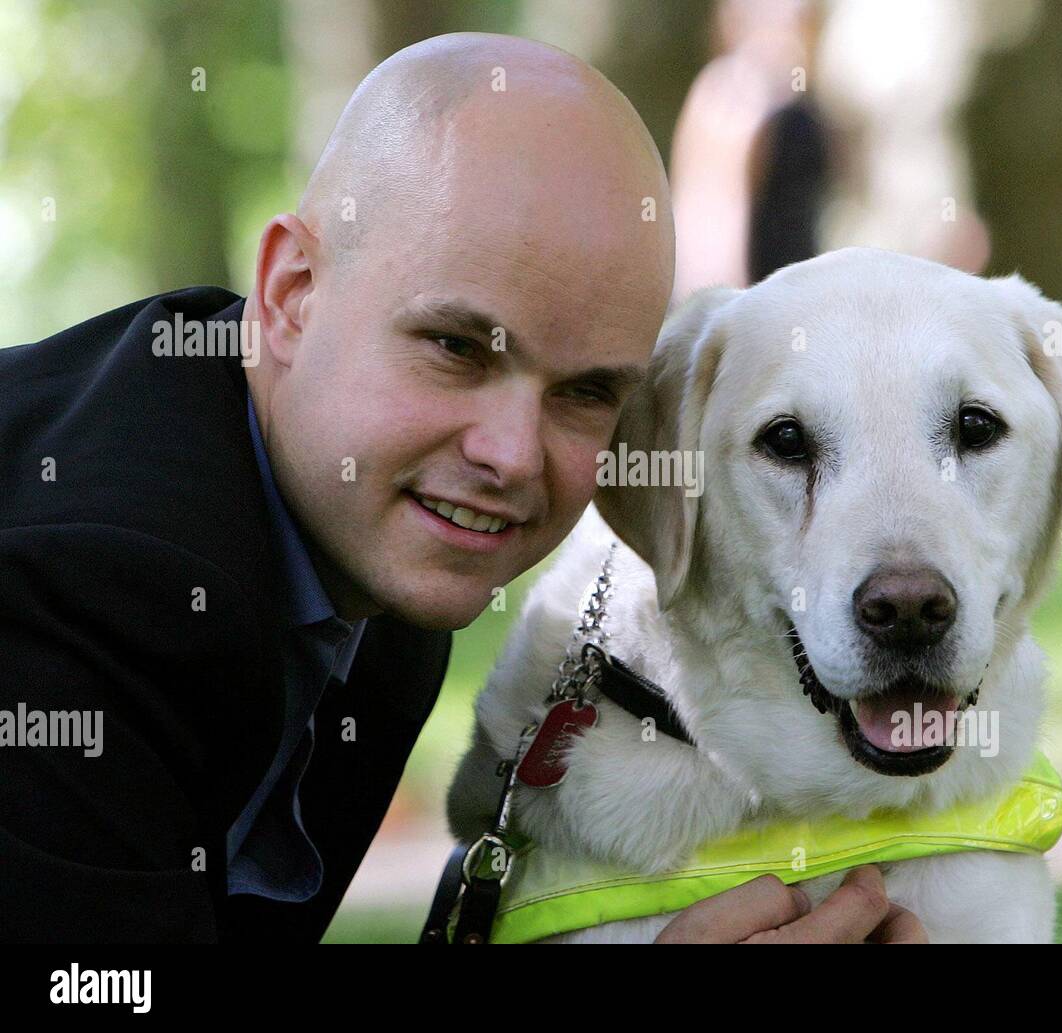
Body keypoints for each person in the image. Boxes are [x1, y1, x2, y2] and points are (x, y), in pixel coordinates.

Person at [0, 32, 924, 943]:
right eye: (454, 347)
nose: (513, 455)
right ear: (291, 291)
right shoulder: (87, 590)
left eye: (586, 392)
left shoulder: (377, 565)